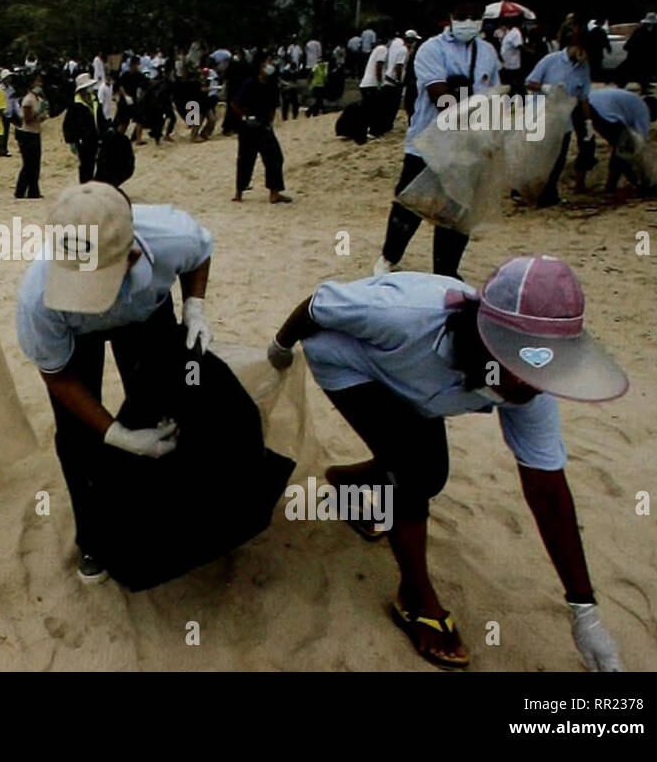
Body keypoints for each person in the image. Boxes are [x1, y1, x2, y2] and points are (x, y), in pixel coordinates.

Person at [267, 256, 628, 671]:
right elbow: (315, 306)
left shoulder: (531, 387)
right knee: (416, 469)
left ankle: (348, 483)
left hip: (415, 384)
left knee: (429, 471)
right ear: (487, 338)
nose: (531, 385)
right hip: (349, 364)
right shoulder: (403, 315)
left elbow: (547, 491)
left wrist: (584, 611)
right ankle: (415, 598)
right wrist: (278, 352)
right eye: (522, 362)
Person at [16, 181, 214, 580]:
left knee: (159, 408)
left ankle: (158, 512)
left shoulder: (172, 235)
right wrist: (116, 434)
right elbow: (57, 374)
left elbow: (201, 254)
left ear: (133, 256)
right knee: (78, 434)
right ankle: (95, 538)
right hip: (76, 331)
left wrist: (195, 305)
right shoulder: (37, 297)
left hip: (144, 314)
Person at [375, 0, 499, 280]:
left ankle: (446, 270)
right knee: (410, 204)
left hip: (469, 147)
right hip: (427, 143)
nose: (468, 20)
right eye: (462, 14)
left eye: (474, 15)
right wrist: (470, 103)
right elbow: (439, 97)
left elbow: (492, 95)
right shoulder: (432, 49)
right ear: (450, 16)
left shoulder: (488, 52)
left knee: (456, 211)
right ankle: (389, 257)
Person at [526, 23, 593, 206]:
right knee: (537, 156)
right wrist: (546, 88)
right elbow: (530, 82)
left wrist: (588, 122)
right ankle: (526, 191)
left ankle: (550, 194)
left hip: (564, 120)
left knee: (559, 158)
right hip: (541, 115)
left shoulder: (583, 68)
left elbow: (583, 97)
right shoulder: (551, 60)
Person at [230, 54, 290, 204]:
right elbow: (235, 103)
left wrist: (268, 124)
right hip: (248, 127)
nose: (270, 65)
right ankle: (239, 192)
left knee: (275, 158)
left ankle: (274, 193)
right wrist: (246, 117)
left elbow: (273, 108)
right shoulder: (250, 83)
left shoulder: (272, 85)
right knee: (245, 159)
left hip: (263, 127)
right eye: (267, 62)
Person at [587, 88, 657, 193]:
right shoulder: (643, 111)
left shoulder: (633, 102)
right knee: (623, 151)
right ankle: (611, 186)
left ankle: (580, 186)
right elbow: (639, 144)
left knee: (589, 145)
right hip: (603, 112)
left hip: (586, 102)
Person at [63, 73, 104, 183]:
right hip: (83, 140)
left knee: (95, 165)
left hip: (95, 138)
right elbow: (68, 124)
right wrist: (71, 141)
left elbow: (100, 118)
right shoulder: (75, 105)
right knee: (85, 165)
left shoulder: (95, 101)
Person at [15, 72, 45, 199]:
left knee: (35, 164)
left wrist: (42, 115)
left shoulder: (39, 99)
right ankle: (20, 191)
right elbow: (27, 119)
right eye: (37, 81)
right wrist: (38, 112)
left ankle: (34, 190)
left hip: (35, 132)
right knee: (28, 164)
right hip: (27, 134)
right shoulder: (28, 99)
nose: (40, 84)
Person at [359, 40, 389, 137]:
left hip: (366, 83)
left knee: (367, 109)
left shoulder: (377, 49)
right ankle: (372, 131)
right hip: (372, 84)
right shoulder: (383, 49)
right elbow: (379, 66)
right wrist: (380, 83)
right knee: (374, 109)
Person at [499, 17, 527, 96]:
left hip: (513, 65)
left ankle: (523, 100)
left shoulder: (515, 32)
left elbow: (518, 45)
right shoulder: (510, 32)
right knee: (511, 85)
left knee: (516, 84)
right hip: (508, 64)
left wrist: (528, 50)